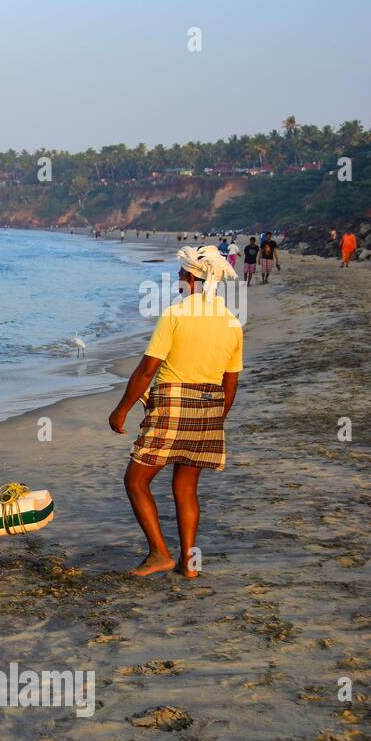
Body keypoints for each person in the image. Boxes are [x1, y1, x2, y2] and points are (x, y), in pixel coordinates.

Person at [108, 246, 243, 578]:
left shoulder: (176, 315)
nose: (179, 283)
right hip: (211, 407)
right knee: (185, 488)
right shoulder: (231, 322)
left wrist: (121, 410)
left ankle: (159, 553)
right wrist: (216, 418)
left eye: (182, 278)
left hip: (173, 403)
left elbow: (146, 370)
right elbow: (231, 383)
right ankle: (189, 563)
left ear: (192, 281)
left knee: (136, 480)